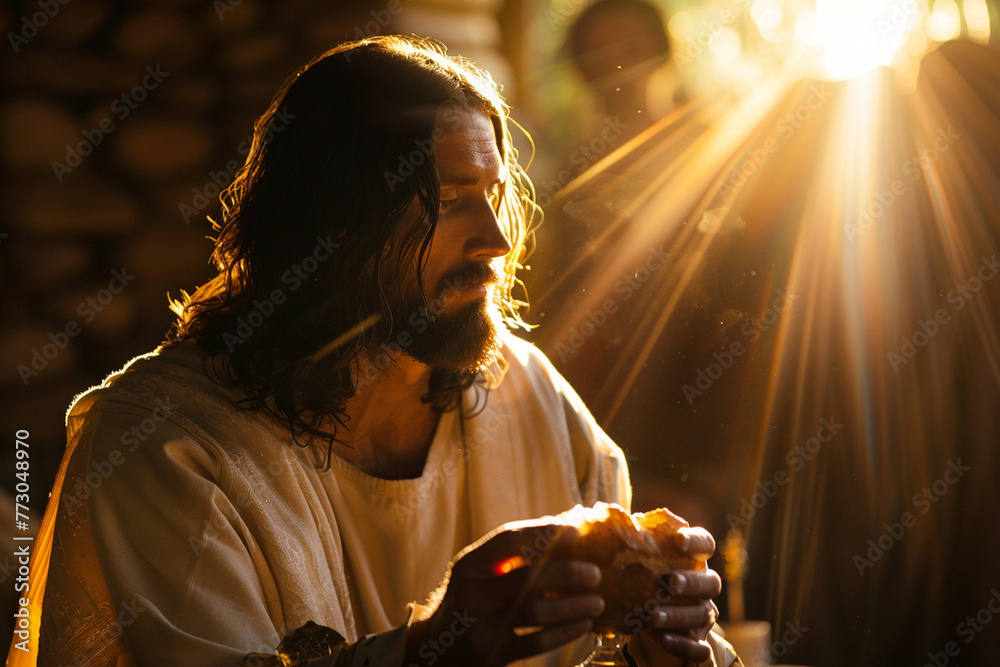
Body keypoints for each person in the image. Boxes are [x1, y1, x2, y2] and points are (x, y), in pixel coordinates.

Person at [9, 36, 738, 667]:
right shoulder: (165, 446)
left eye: (495, 194)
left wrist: (669, 645)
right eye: (450, 199)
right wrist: (428, 652)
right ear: (335, 229)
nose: (497, 239)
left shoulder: (529, 397)